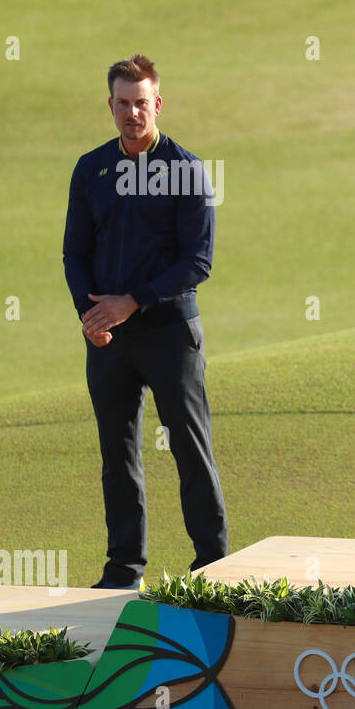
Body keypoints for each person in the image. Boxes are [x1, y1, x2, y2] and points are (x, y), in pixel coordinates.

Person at [63, 54, 228, 589]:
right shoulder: (91, 169)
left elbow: (197, 261)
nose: (132, 113)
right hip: (108, 336)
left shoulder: (186, 170)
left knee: (190, 446)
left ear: (157, 104)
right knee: (117, 452)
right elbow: (75, 253)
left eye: (141, 103)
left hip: (170, 333)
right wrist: (90, 314)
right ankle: (123, 570)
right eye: (123, 103)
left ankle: (212, 567)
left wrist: (131, 301)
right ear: (110, 106)